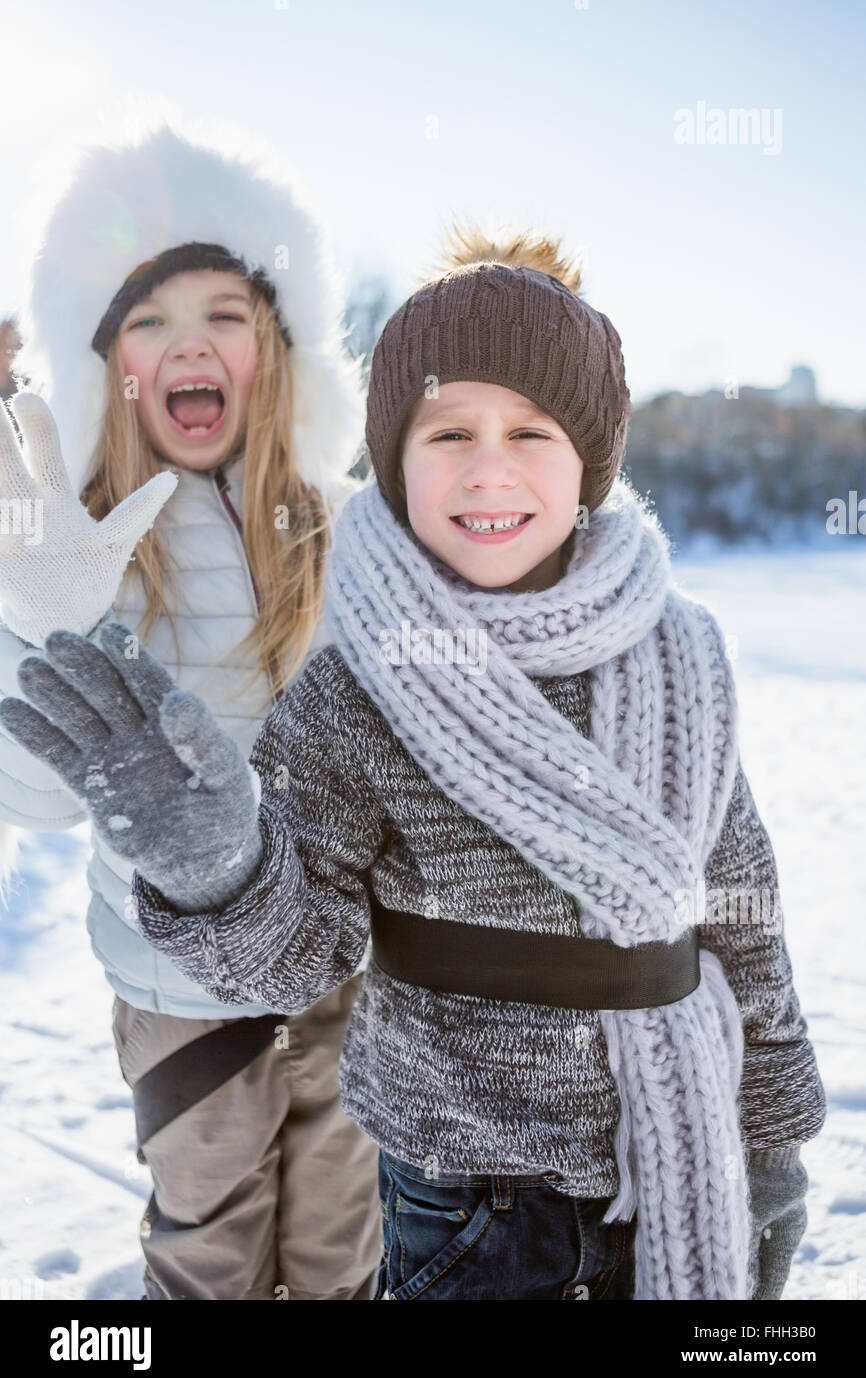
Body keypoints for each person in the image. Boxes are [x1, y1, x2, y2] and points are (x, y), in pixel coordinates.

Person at [0, 226, 826, 1301]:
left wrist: (768, 1142)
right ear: (393, 462)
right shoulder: (356, 687)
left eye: (531, 431)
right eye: (447, 433)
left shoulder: (680, 659)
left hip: (672, 1177)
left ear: (591, 463)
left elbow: (741, 918)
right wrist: (216, 867)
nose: (489, 469)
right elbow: (302, 958)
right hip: (463, 1212)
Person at [0, 123, 383, 1300]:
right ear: (107, 363)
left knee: (340, 1249)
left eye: (225, 311)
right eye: (147, 321)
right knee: (209, 1252)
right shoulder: (75, 544)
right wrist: (36, 622)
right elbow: (41, 803)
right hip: (181, 1000)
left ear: (275, 347)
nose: (189, 344)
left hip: (342, 972)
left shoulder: (345, 528)